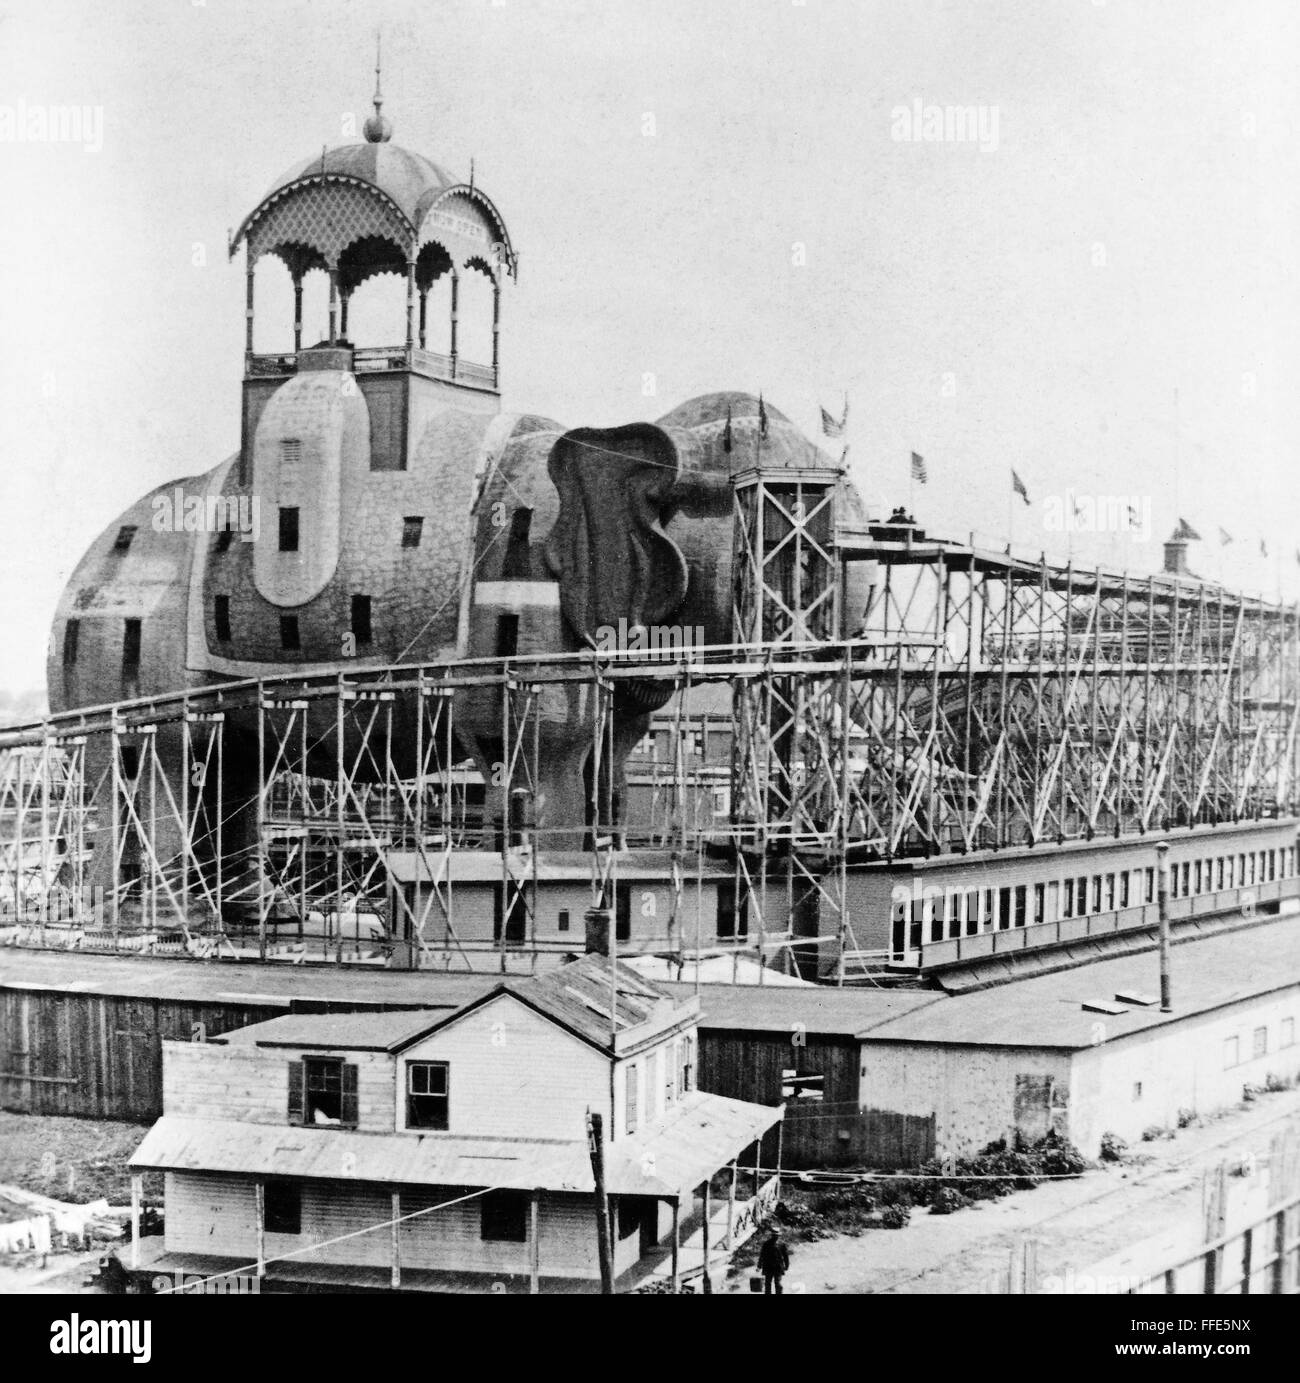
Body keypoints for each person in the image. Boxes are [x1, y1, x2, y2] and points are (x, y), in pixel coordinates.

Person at [757, 1225, 790, 1295]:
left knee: (778, 1284)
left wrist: (787, 1265)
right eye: (774, 1235)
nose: (775, 1237)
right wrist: (759, 1266)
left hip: (778, 1267)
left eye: (777, 1235)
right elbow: (762, 1255)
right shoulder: (766, 1244)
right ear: (771, 1235)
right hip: (768, 1266)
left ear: (779, 1236)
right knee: (767, 1284)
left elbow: (785, 1256)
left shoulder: (782, 1244)